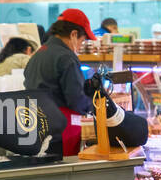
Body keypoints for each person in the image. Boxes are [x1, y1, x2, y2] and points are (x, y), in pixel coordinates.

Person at [24, 8, 103, 156]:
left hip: (36, 129)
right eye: (83, 40)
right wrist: (96, 105)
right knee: (63, 176)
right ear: (73, 34)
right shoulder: (66, 57)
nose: (81, 45)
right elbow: (76, 100)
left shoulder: (38, 54)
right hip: (60, 131)